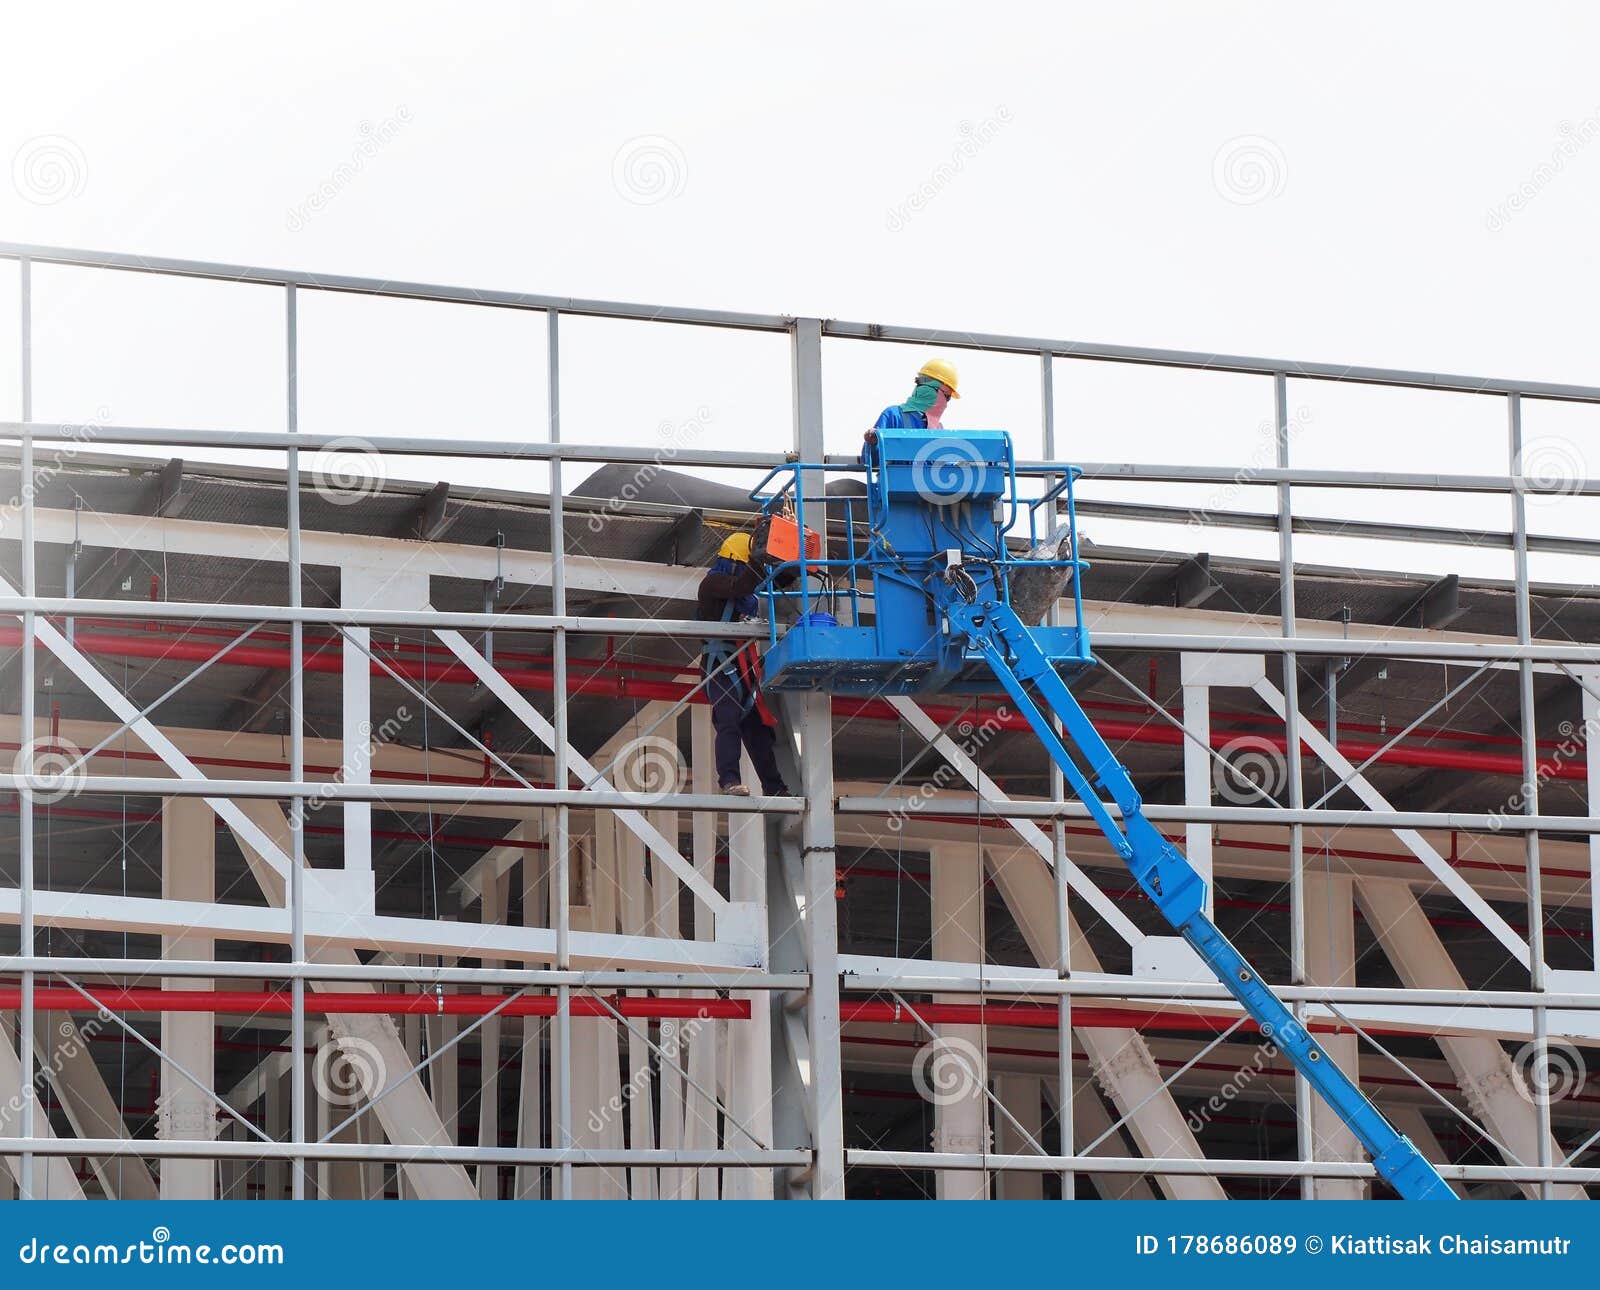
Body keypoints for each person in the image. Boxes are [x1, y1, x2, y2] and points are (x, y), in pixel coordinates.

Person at [697, 532, 790, 796]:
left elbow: (752, 585)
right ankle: (729, 780)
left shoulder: (746, 598)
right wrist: (758, 562)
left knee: (757, 730)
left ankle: (775, 788)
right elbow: (738, 586)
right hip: (719, 665)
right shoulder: (712, 584)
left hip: (742, 667)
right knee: (728, 718)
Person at [873, 358, 960, 432]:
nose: (945, 403)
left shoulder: (938, 430)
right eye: (946, 396)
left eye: (948, 398)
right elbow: (873, 450)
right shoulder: (894, 415)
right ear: (927, 389)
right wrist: (873, 442)